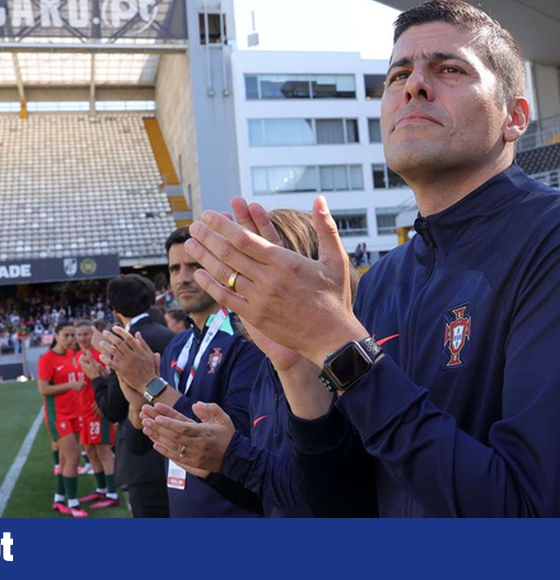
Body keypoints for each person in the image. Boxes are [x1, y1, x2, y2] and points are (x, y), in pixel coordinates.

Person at [177, 0, 560, 517]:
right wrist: (296, 367)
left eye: (449, 69)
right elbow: (344, 514)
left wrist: (339, 347)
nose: (414, 85)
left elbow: (522, 510)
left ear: (514, 117)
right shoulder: (384, 280)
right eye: (397, 75)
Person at [140, 208, 365, 517]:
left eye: (256, 274)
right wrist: (218, 464)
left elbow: (342, 503)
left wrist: (149, 384)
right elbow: (274, 494)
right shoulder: (268, 366)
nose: (184, 278)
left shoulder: (357, 372)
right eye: (240, 275)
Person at [100, 227, 265, 518]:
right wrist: (139, 402)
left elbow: (235, 438)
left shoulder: (247, 340)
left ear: (220, 268)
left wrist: (150, 384)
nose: (182, 278)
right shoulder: (178, 345)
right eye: (175, 268)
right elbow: (140, 446)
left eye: (195, 266)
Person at [89, 274, 174, 518]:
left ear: (114, 308)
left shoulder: (124, 343)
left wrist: (96, 377)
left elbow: (113, 409)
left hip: (143, 459)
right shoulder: (171, 335)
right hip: (179, 454)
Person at [37, 322, 88, 518]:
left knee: (65, 458)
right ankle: (73, 503)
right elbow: (43, 389)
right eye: (66, 335)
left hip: (75, 413)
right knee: (73, 457)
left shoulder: (71, 355)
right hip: (58, 416)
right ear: (56, 336)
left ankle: (59, 499)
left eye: (72, 335)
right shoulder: (47, 359)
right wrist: (70, 386)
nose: (70, 339)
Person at [73, 319, 119, 509]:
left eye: (86, 334)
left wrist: (104, 402)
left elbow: (111, 380)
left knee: (102, 450)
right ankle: (101, 489)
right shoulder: (77, 355)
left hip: (97, 410)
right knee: (90, 450)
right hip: (84, 411)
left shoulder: (100, 355)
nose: (82, 338)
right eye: (79, 334)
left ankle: (112, 492)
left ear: (94, 335)